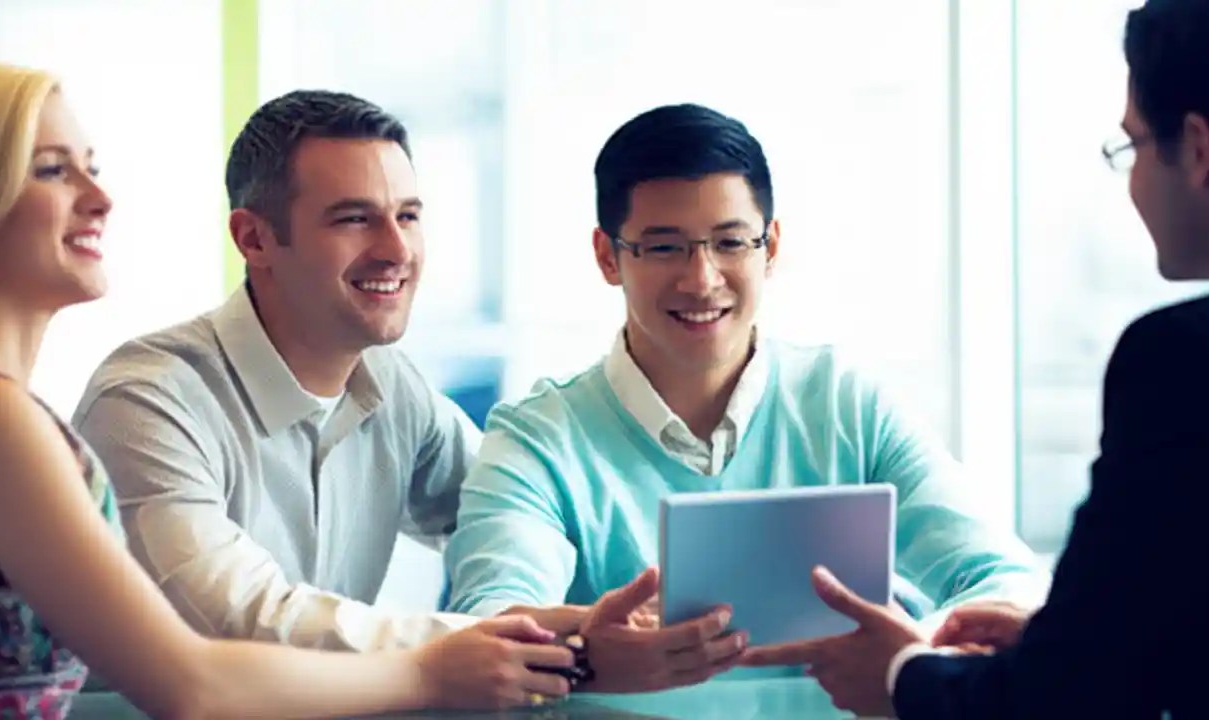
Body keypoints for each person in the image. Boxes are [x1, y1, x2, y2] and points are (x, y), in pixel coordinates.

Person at [0, 60, 578, 718]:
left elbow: (504, 504)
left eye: (92, 168)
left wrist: (518, 619)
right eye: (51, 169)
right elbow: (199, 680)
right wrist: (462, 661)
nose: (102, 199)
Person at [443, 103, 1049, 690]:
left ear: (772, 247)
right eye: (663, 247)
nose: (701, 278)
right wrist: (587, 651)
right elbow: (486, 625)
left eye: (730, 242)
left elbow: (1005, 577)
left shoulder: (849, 407)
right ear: (608, 256)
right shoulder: (538, 439)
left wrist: (914, 648)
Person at [737, 1, 1209, 717]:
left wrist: (901, 675)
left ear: (1200, 148)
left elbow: (1065, 701)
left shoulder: (1183, 360)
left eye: (1133, 147)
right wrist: (1073, 640)